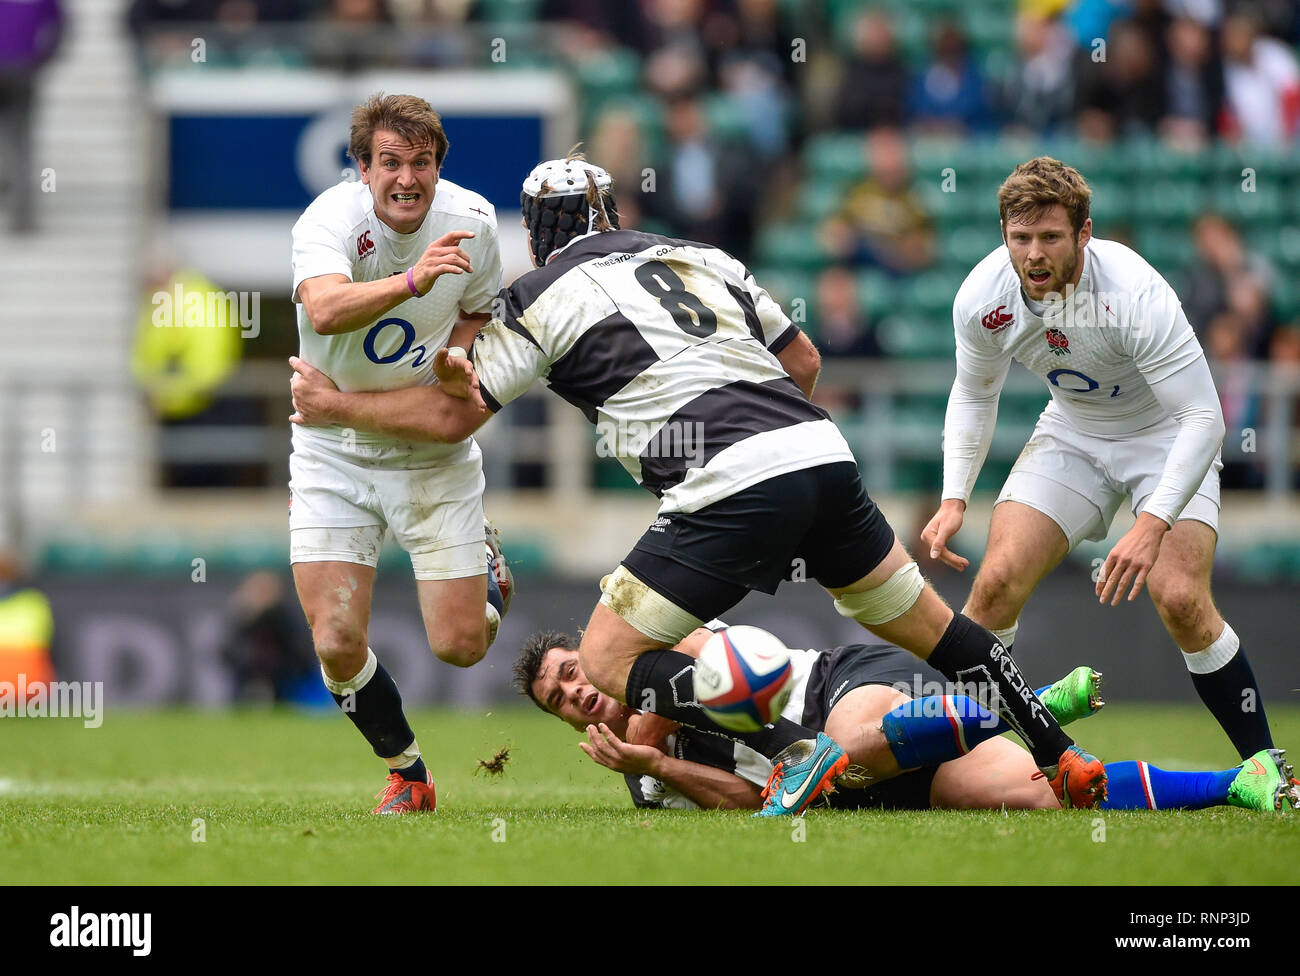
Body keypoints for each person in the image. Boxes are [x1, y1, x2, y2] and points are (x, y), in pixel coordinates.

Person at [288, 151, 1110, 816]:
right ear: (611, 213)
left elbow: (451, 419)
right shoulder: (699, 253)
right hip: (820, 454)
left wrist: (337, 404)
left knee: (609, 659)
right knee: (942, 632)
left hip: (726, 480)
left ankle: (794, 749)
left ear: (537, 238)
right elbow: (805, 362)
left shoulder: (534, 295)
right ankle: (1063, 756)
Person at [922, 156, 1278, 768]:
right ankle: (956, 764)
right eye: (1020, 237)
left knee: (1182, 600)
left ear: (1085, 233)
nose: (1034, 254)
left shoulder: (1134, 292)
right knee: (995, 584)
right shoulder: (983, 297)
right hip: (1073, 431)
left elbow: (1204, 418)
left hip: (1166, 436)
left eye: (1051, 237)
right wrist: (955, 496)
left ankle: (1267, 765)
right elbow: (975, 392)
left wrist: (1152, 520)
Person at [288, 92, 512, 814]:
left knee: (461, 646)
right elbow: (323, 307)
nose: (407, 179)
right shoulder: (327, 220)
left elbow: (478, 307)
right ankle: (408, 774)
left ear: (439, 168)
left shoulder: (474, 222)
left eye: (422, 163)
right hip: (331, 450)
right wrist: (414, 281)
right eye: (390, 163)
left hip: (423, 449)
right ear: (362, 168)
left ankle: (490, 575)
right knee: (334, 640)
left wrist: (458, 355)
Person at [514, 625, 1296, 814]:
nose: (575, 694)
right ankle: (1242, 780)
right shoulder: (641, 781)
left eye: (572, 673)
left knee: (833, 749)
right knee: (1042, 795)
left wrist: (649, 729)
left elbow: (715, 652)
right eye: (558, 699)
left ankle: (1003, 703)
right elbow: (755, 800)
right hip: (860, 784)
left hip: (845, 690)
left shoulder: (658, 642)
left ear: (596, 649)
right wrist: (651, 767)